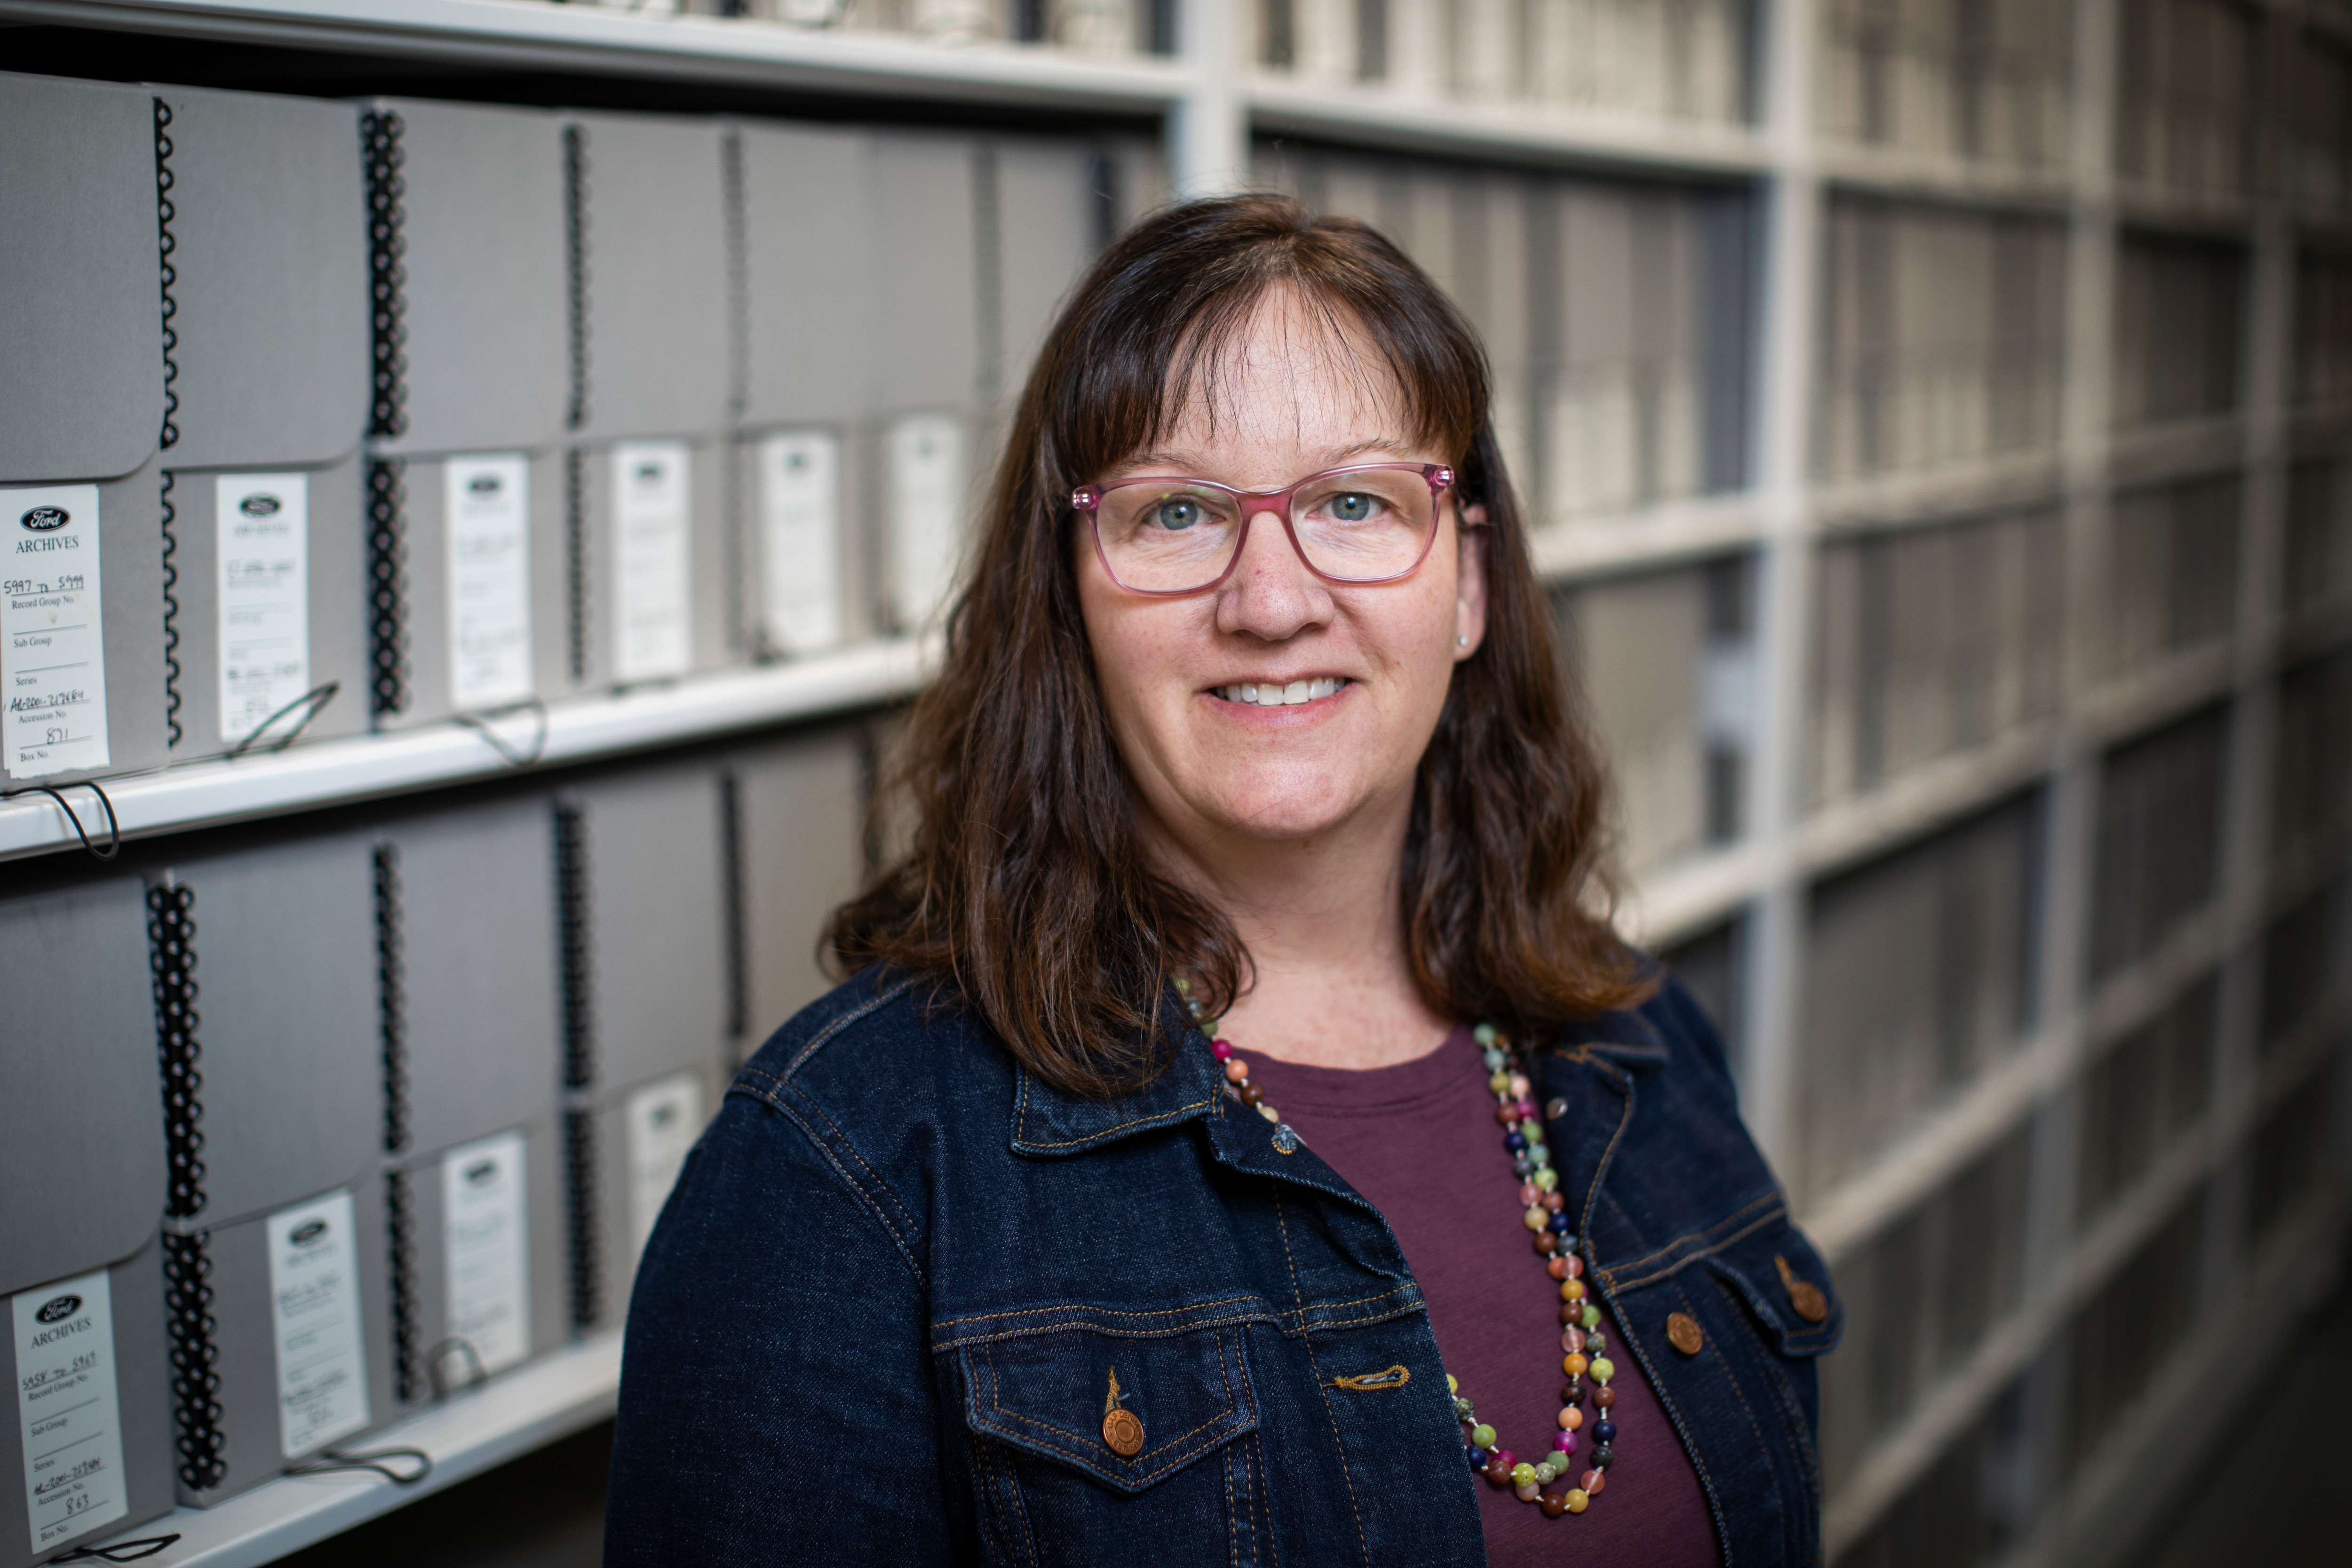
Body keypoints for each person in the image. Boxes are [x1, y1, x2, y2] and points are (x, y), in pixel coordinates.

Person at [603, 193, 1840, 1566]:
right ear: (1068, 596)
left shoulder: (1636, 1041)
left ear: (1470, 586)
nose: (1271, 602)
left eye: (1356, 503)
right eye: (1179, 513)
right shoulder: (840, 1164)